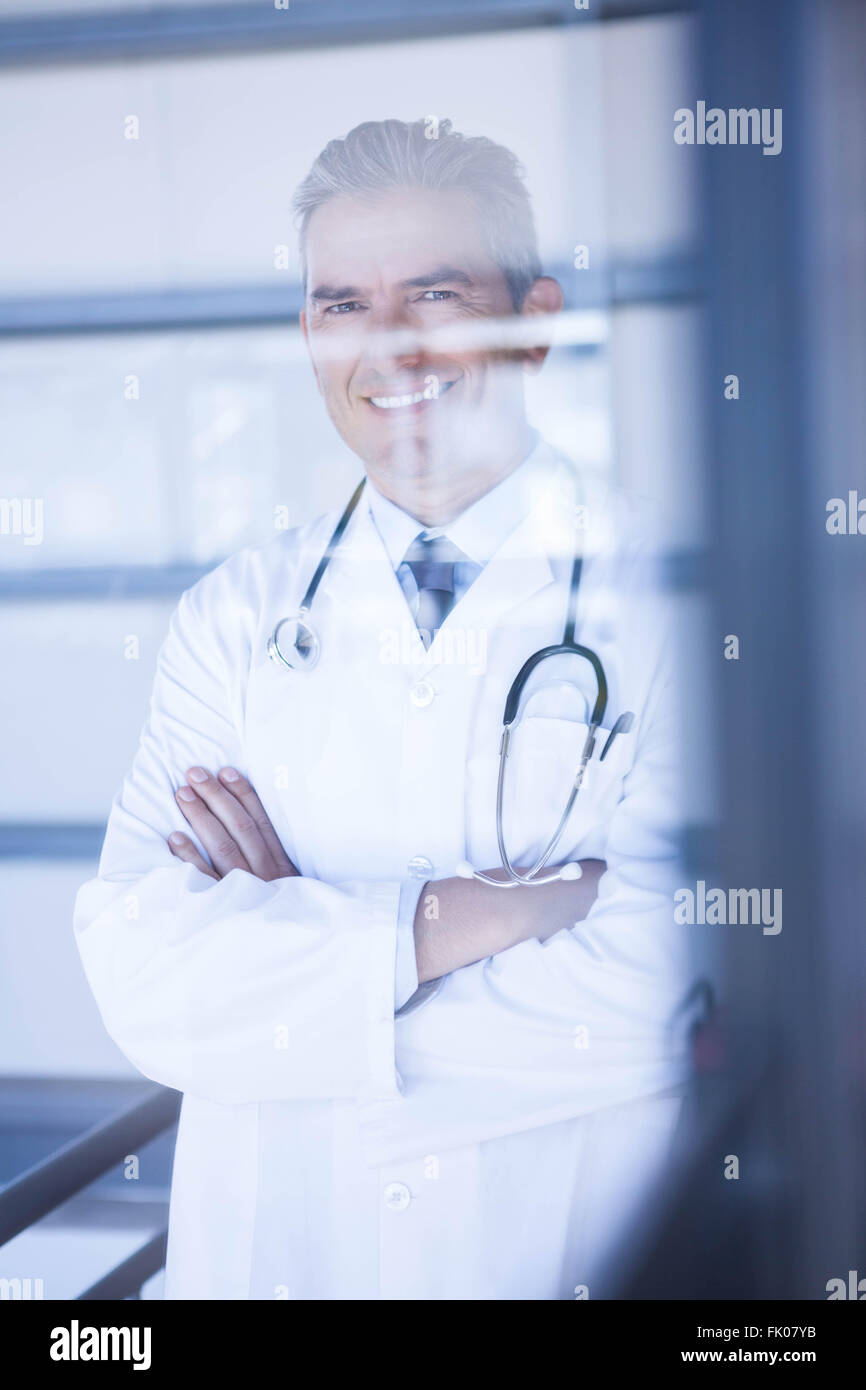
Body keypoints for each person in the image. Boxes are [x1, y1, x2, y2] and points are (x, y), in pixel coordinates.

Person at [74, 118, 691, 1301]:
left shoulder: (674, 600)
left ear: (537, 321)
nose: (389, 345)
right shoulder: (231, 616)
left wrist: (285, 990)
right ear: (310, 332)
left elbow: (670, 975)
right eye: (342, 304)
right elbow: (145, 978)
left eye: (436, 294)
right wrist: (475, 917)